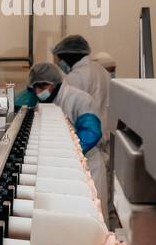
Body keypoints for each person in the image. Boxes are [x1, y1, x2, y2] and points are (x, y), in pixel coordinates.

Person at [28, 62, 107, 205]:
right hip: (67, 167)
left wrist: (66, 154)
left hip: (89, 165)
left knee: (94, 211)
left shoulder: (79, 99)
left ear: (55, 83)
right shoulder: (46, 102)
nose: (38, 91)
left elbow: (92, 132)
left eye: (42, 86)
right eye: (35, 87)